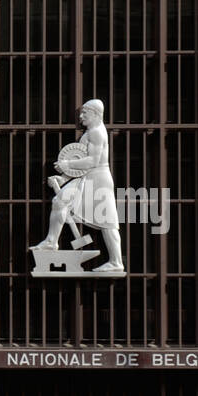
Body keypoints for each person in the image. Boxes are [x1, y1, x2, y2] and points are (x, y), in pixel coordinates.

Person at [32, 99, 124, 273]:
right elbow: (81, 160)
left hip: (98, 179)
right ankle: (51, 242)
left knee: (108, 222)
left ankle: (116, 262)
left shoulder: (97, 132)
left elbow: (92, 161)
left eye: (84, 113)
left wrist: (67, 165)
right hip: (87, 177)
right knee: (60, 201)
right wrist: (63, 178)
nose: (81, 117)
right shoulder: (91, 132)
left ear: (95, 114)